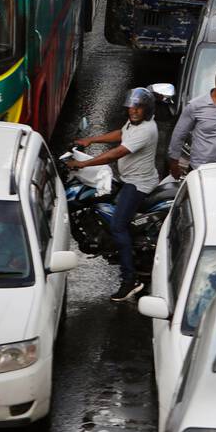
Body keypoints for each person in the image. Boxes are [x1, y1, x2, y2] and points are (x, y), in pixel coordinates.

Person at [75, 87, 160, 301]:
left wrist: (83, 163)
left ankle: (130, 280)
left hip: (138, 184)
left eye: (138, 107)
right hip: (128, 179)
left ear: (147, 109)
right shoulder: (134, 124)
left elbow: (117, 152)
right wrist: (91, 140)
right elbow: (121, 134)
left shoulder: (146, 130)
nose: (133, 110)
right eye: (131, 107)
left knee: (117, 225)